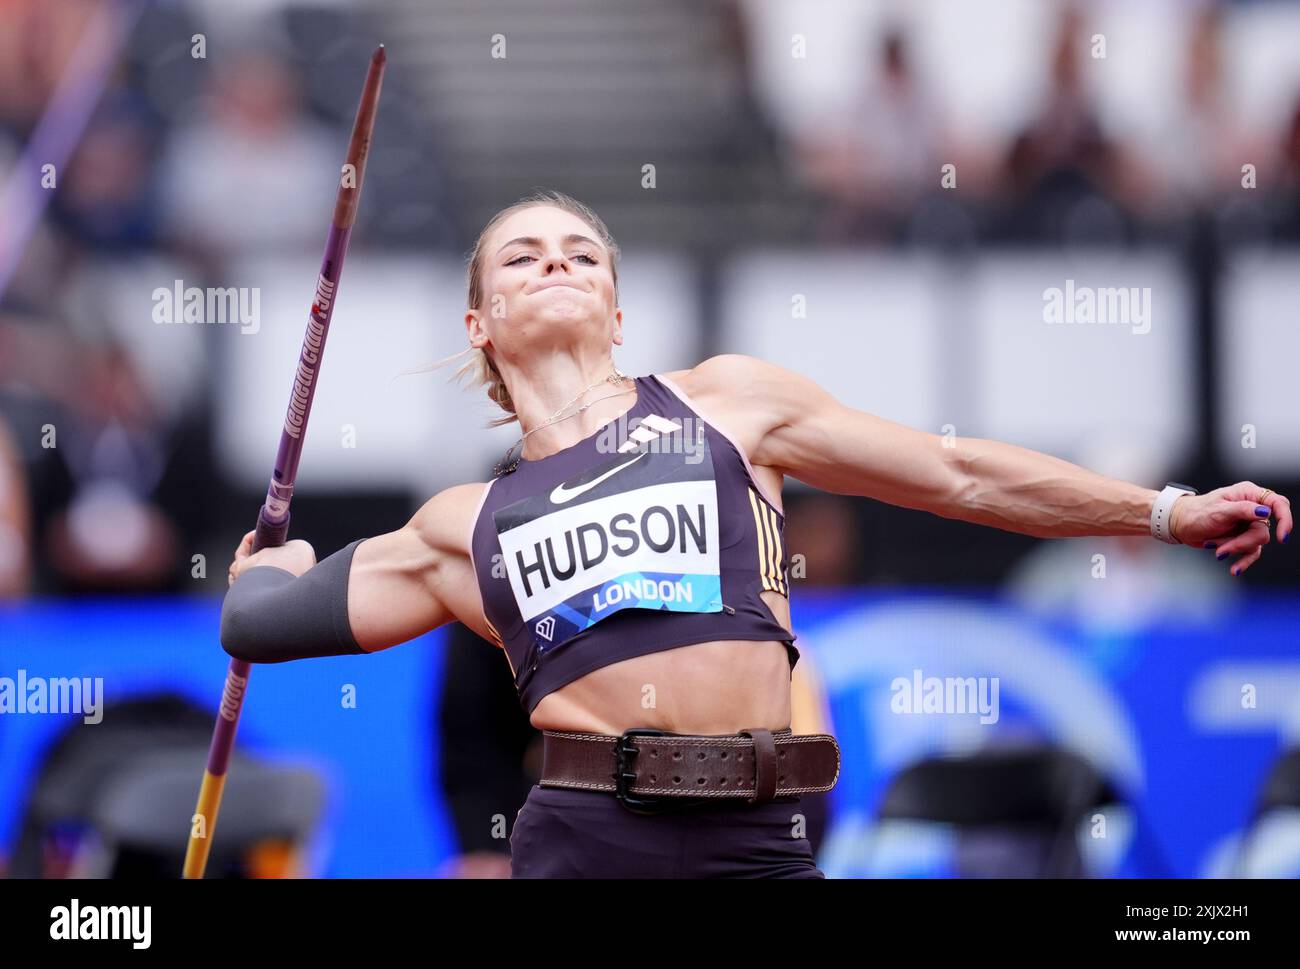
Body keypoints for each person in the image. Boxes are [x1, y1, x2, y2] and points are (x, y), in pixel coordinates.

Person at [221, 189, 1291, 878]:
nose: (555, 264)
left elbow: (958, 471)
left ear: (617, 309)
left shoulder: (728, 407)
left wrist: (1157, 512)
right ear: (479, 324)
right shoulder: (465, 523)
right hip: (586, 840)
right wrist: (270, 571)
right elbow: (257, 623)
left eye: (582, 255)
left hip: (754, 834)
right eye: (522, 258)